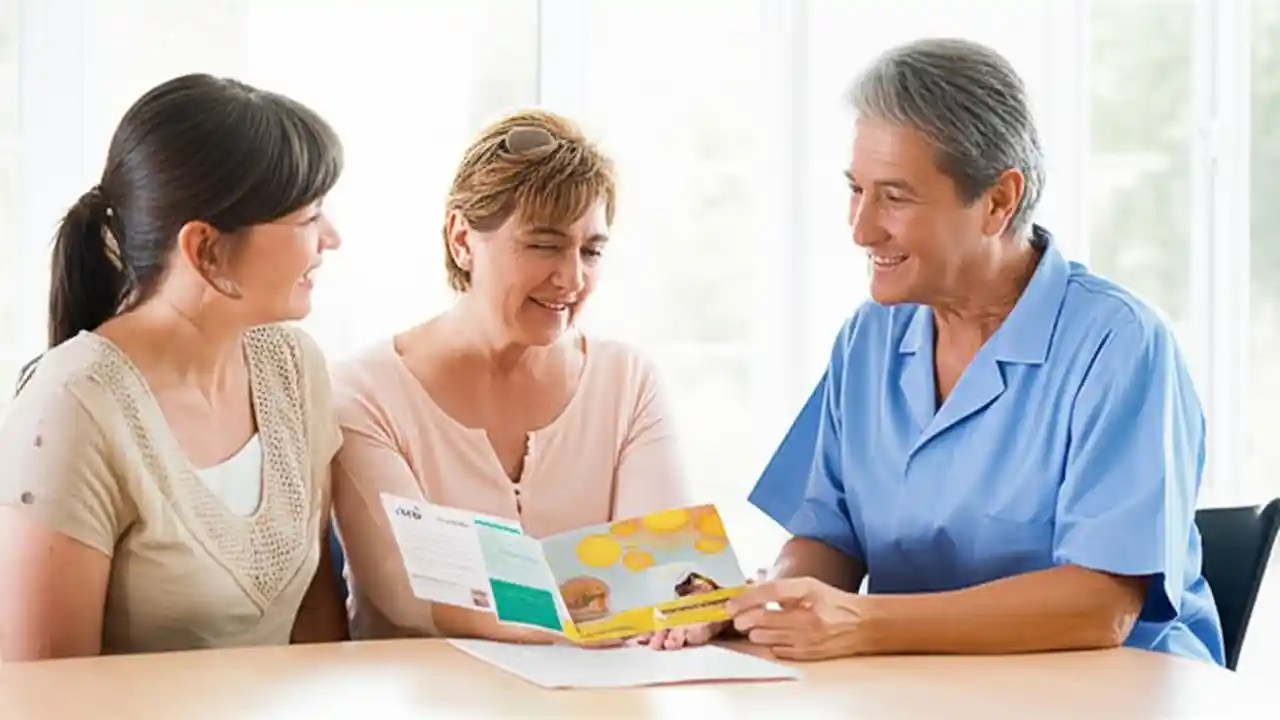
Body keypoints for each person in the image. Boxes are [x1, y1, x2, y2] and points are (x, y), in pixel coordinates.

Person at [685, 37, 1225, 663]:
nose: (861, 229)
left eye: (894, 196)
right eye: (855, 189)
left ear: (998, 201)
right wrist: (767, 606)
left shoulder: (1119, 343)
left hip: (1108, 690)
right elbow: (828, 537)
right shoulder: (869, 339)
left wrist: (863, 621)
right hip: (925, 685)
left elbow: (1101, 605)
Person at [0, 74, 348, 661]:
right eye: (308, 219)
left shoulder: (294, 367)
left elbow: (316, 614)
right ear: (205, 249)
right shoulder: (71, 407)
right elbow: (45, 694)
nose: (331, 239)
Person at [330, 110, 691, 642]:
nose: (572, 278)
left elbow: (669, 581)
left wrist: (663, 599)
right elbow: (418, 595)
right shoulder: (362, 392)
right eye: (543, 244)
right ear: (461, 239)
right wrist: (620, 600)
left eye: (591, 250)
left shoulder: (627, 380)